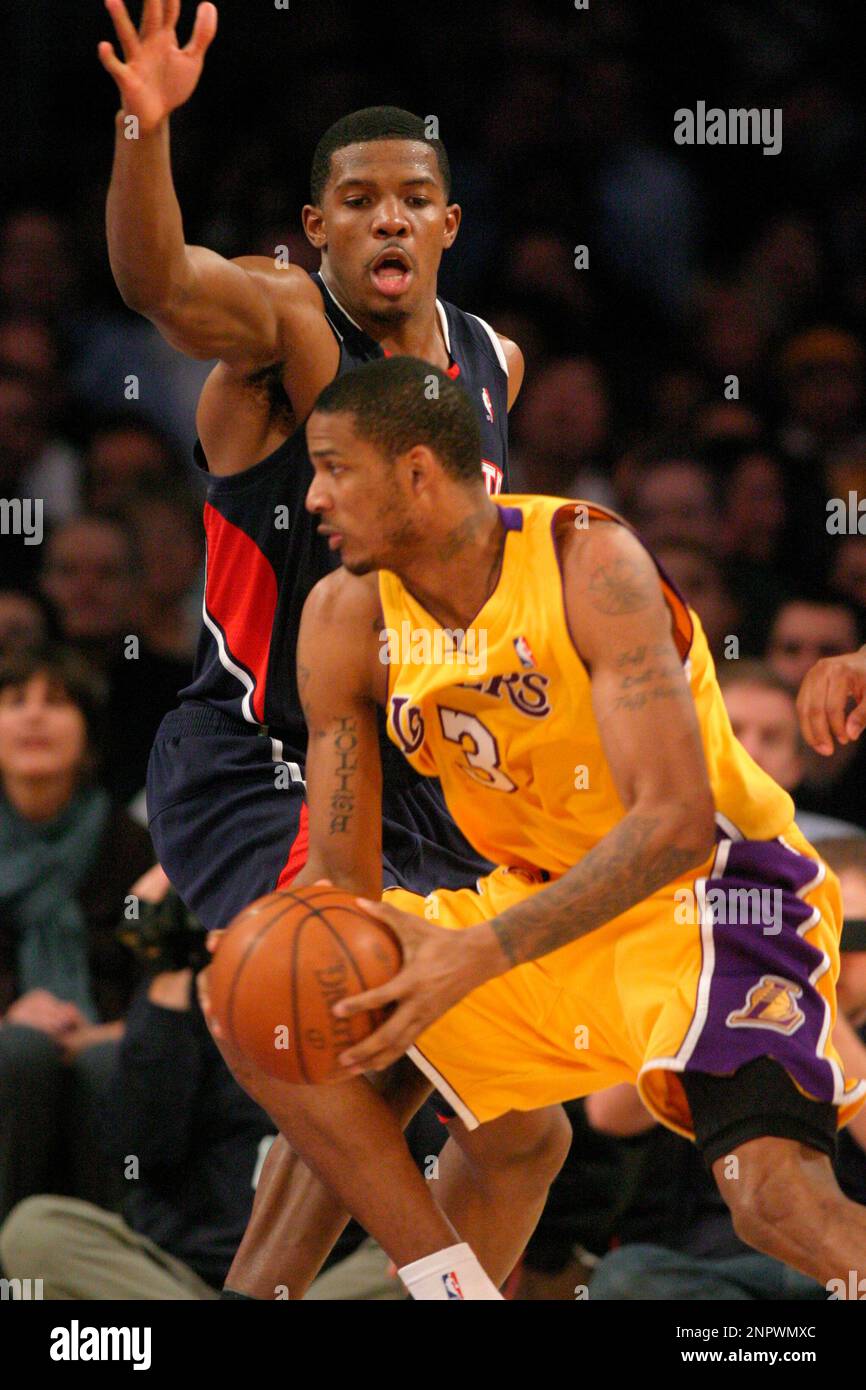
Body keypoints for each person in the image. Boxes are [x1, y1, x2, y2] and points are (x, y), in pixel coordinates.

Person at [203, 355, 866, 1299]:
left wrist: (473, 958)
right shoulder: (345, 616)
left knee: (772, 1200)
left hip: (714, 898)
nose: (312, 497)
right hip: (539, 900)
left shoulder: (588, 564)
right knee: (289, 1013)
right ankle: (446, 1288)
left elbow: (676, 824)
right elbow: (341, 895)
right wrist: (286, 956)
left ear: (420, 473)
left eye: (335, 467)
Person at [99, 0, 576, 1304]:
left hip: (408, 769)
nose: (382, 219)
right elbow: (159, 282)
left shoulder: (495, 362)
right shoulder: (281, 336)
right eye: (352, 200)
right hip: (255, 755)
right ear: (315, 229)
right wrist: (146, 128)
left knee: (526, 1129)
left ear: (444, 224)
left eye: (408, 198)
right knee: (332, 1013)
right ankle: (440, 1283)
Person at [0, 646, 153, 1221]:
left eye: (57, 703)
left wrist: (116, 1029)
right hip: (11, 1047)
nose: (35, 717)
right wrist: (11, 1016)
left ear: (88, 735)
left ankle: (121, 1266)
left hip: (106, 1040)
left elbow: (168, 977)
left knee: (111, 1061)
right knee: (20, 1053)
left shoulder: (134, 846)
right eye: (16, 702)